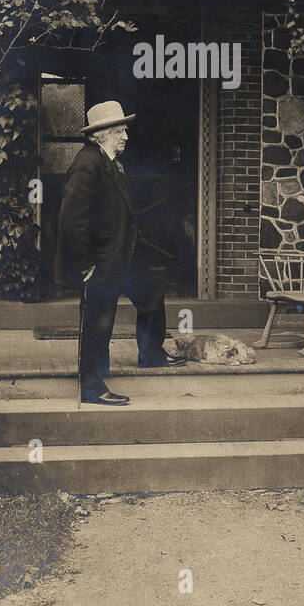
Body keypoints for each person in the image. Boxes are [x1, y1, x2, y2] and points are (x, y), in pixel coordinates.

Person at [55, 100, 187, 406]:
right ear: (100, 135)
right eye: (119, 130)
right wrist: (86, 264)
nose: (125, 135)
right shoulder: (87, 163)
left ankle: (152, 353)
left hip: (123, 256)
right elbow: (71, 220)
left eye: (124, 129)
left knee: (152, 289)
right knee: (98, 320)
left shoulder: (107, 160)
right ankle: (91, 386)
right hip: (101, 261)